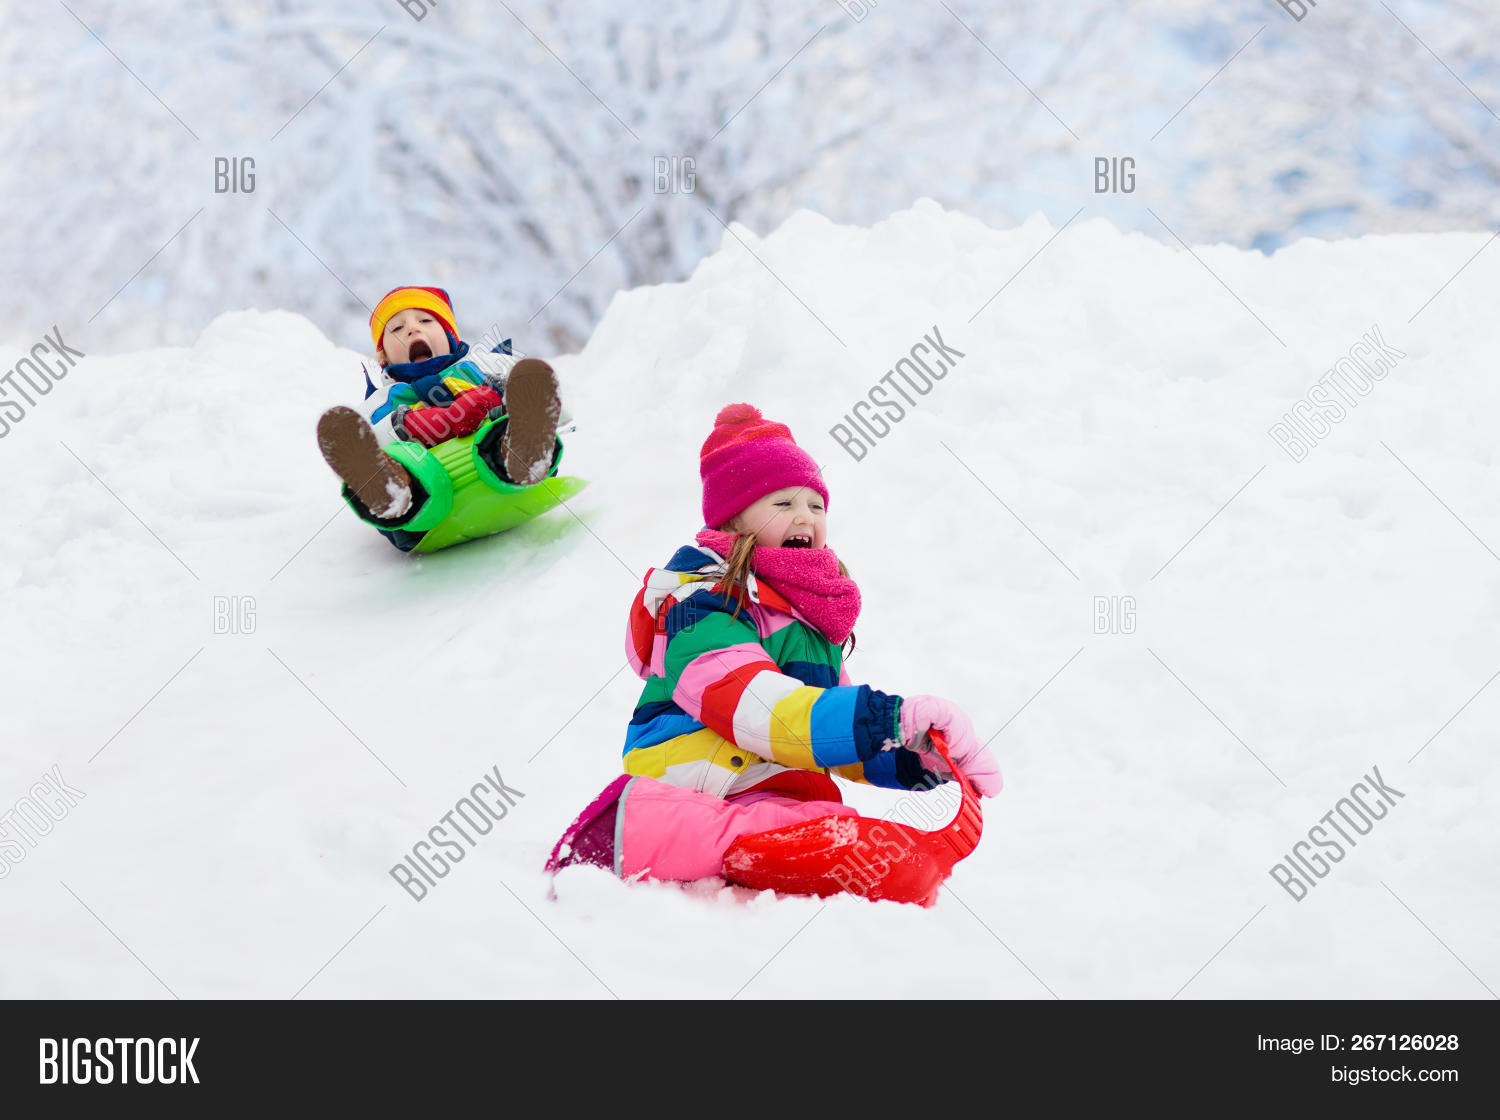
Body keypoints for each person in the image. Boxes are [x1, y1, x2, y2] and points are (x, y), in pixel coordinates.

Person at [546, 402, 1001, 886]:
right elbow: (759, 707)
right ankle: (630, 825)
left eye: (816, 505)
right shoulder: (703, 604)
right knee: (811, 832)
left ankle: (798, 842)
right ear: (733, 522)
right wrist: (884, 716)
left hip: (767, 783)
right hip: (702, 774)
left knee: (828, 828)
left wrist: (915, 751)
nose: (805, 517)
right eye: (783, 504)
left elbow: (824, 736)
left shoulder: (808, 617)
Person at [316, 285, 570, 552]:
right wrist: (411, 425)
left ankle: (523, 452)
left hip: (504, 466)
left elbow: (556, 406)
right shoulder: (384, 399)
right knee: (405, 463)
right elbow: (367, 440)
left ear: (450, 335)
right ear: (382, 356)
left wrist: (498, 398)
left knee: (503, 422)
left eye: (426, 320)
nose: (413, 329)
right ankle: (392, 492)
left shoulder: (486, 365)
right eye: (397, 329)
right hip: (424, 511)